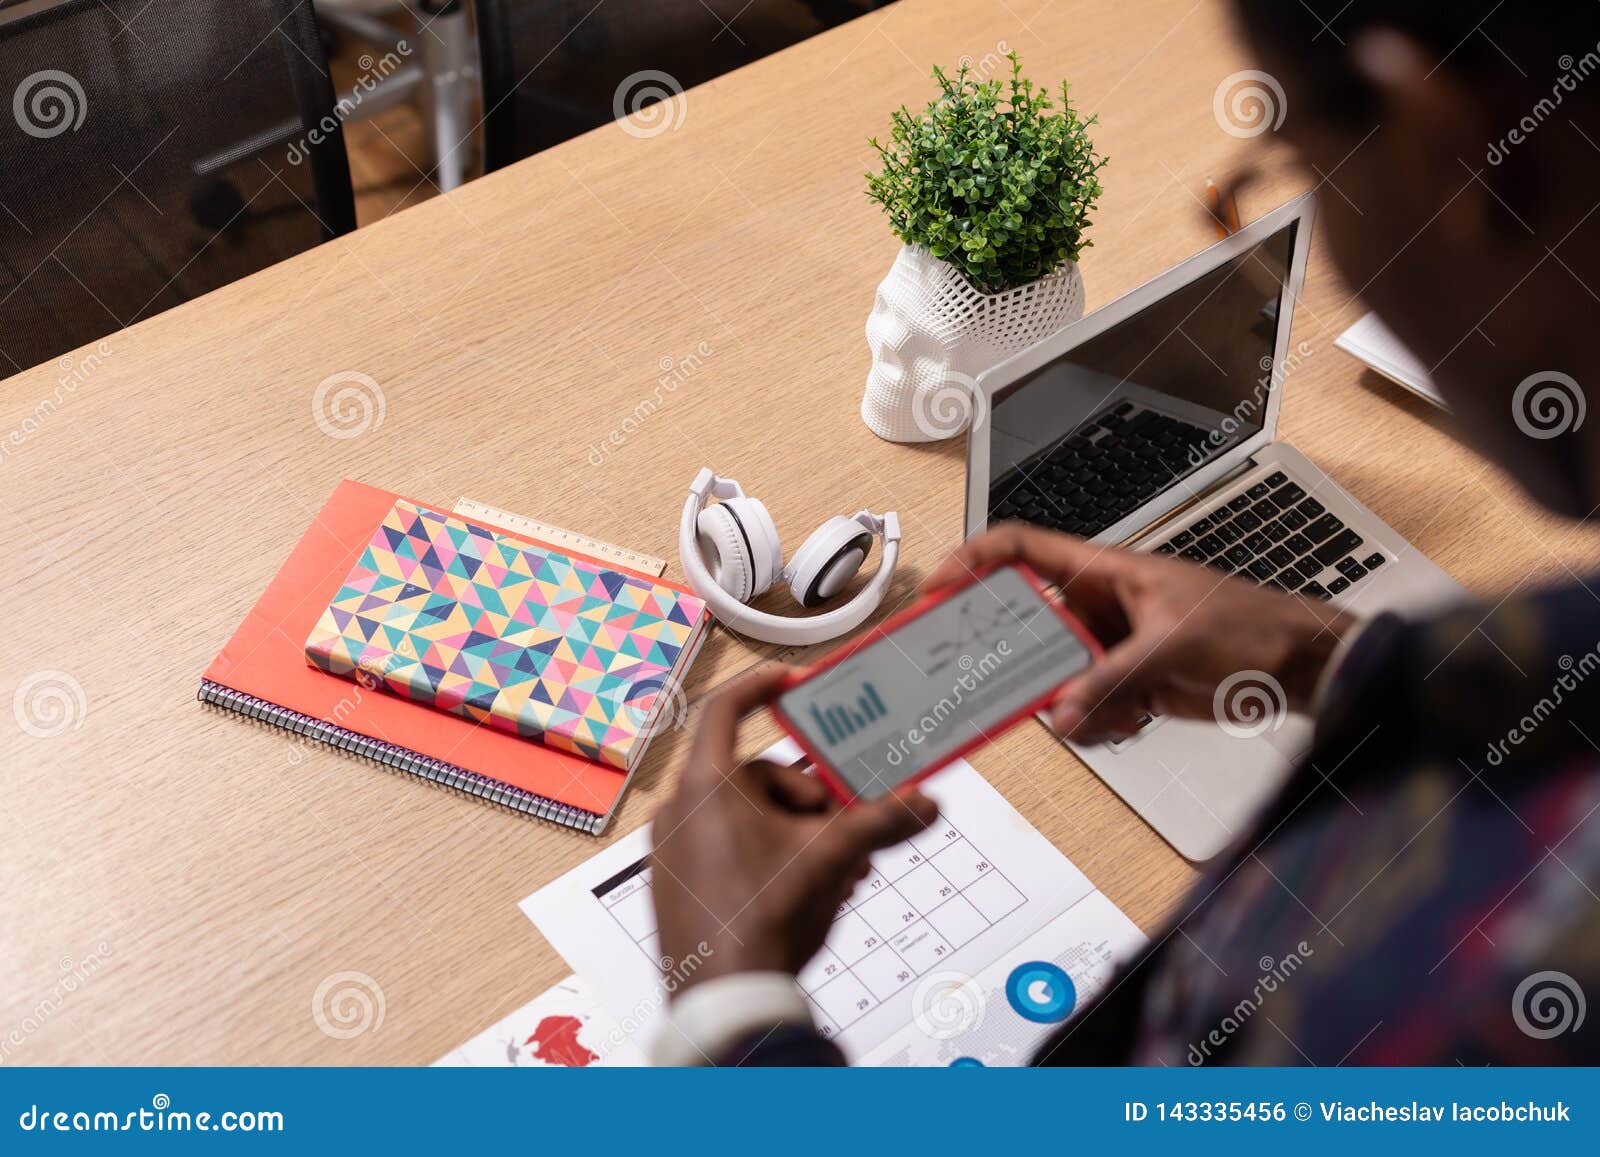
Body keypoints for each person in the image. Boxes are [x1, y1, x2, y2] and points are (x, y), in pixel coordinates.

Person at [648, 0, 1600, 1066]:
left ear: (1448, 143)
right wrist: (1334, 663)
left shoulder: (1421, 999)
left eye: (1300, 164)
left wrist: (727, 1007)